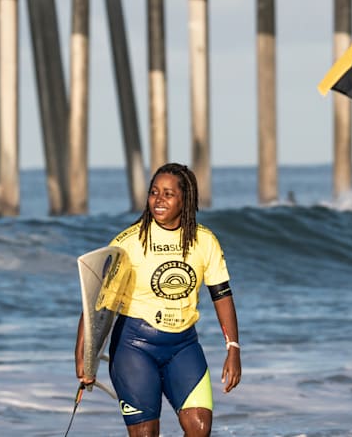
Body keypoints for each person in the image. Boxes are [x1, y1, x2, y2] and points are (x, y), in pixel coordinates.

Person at [75, 163, 241, 437]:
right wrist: (84, 354)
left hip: (183, 346)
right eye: (154, 192)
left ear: (184, 200)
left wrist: (233, 348)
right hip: (135, 348)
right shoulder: (129, 243)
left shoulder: (204, 241)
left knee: (200, 428)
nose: (159, 200)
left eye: (168, 194)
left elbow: (221, 295)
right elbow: (98, 302)